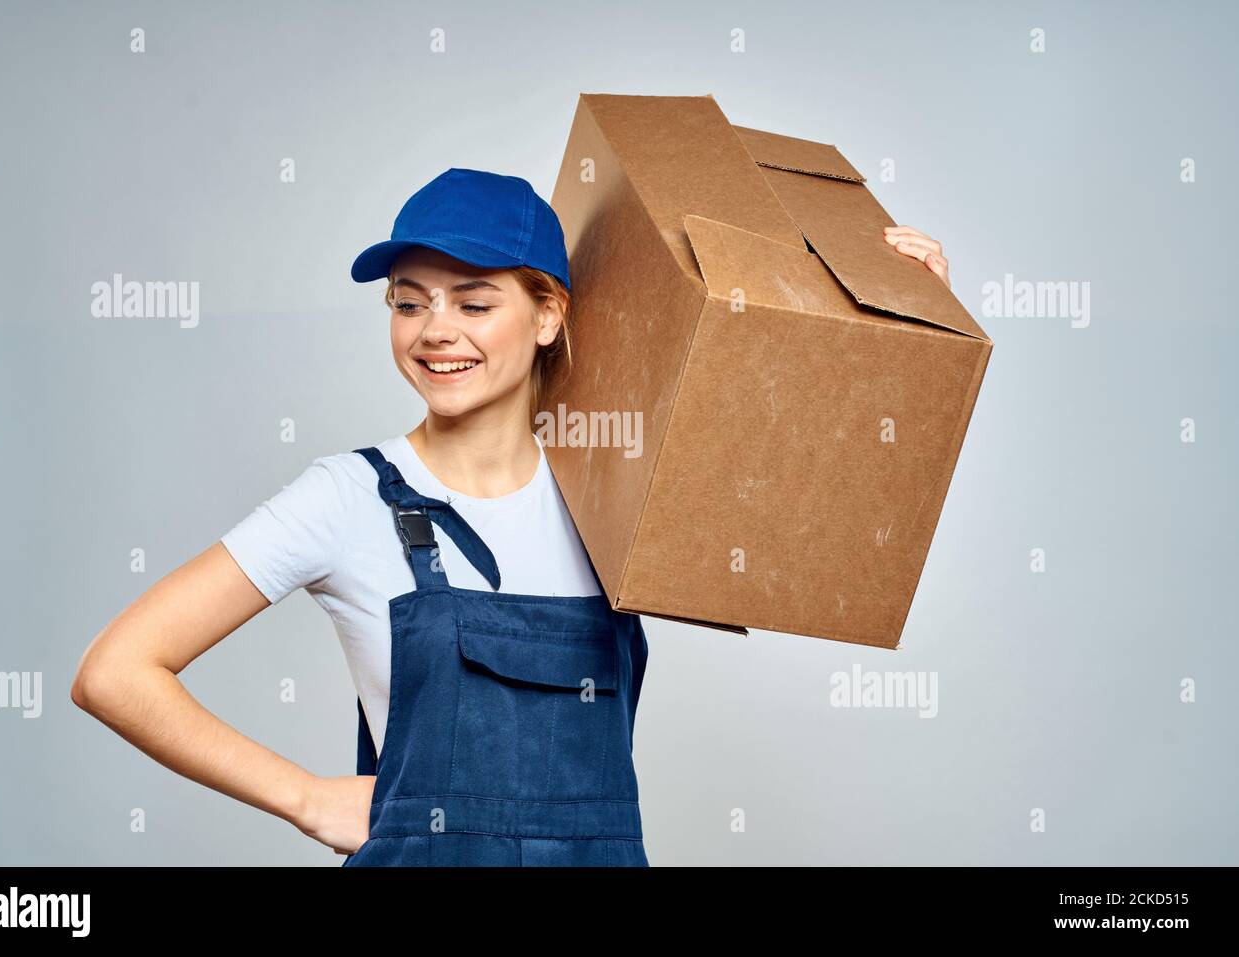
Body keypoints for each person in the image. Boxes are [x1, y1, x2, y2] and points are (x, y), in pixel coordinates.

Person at [70, 166, 953, 867]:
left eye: (474, 301)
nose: (433, 330)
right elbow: (115, 670)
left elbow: (831, 523)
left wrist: (906, 327)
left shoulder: (620, 491)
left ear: (547, 314)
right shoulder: (346, 497)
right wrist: (306, 796)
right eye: (409, 301)